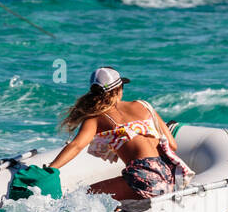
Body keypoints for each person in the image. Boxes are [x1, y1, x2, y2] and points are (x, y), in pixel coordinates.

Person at [48, 67, 194, 201]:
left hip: (144, 177)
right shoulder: (144, 105)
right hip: (169, 175)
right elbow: (172, 145)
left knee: (79, 197)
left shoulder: (95, 118)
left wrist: (51, 169)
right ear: (119, 88)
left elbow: (76, 145)